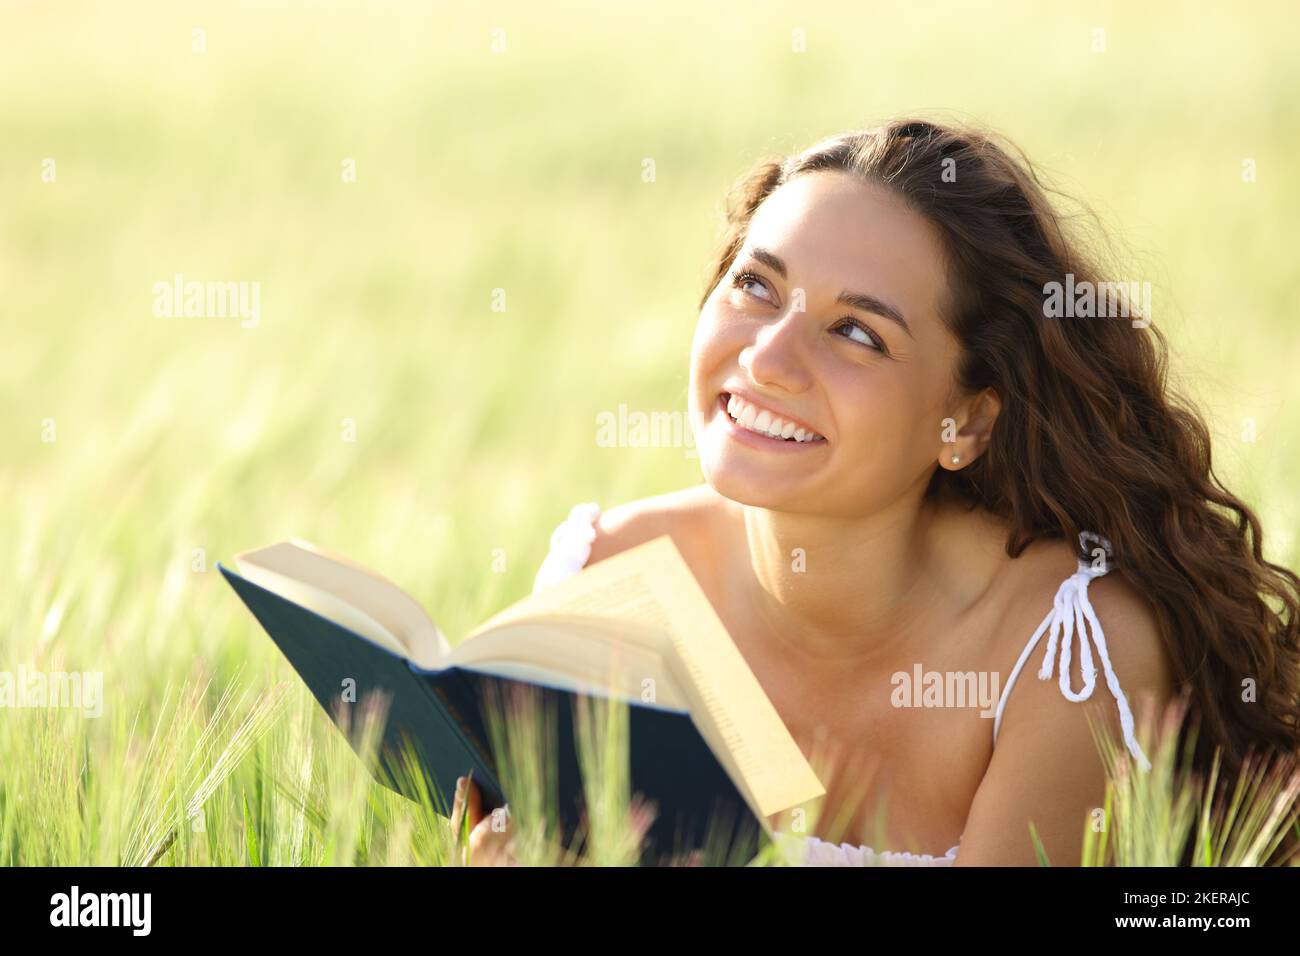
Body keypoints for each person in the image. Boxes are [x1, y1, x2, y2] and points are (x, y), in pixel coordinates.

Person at [454, 118, 1300, 866]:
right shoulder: (605, 578)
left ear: (965, 422)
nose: (767, 359)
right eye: (757, 286)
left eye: (857, 333)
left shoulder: (1061, 648)